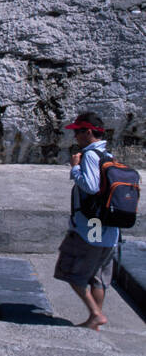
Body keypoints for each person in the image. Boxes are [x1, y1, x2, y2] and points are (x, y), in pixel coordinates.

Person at [54, 113, 120, 331]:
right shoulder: (107, 155)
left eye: (77, 131)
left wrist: (75, 168)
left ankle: (95, 314)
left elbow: (90, 187)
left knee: (71, 271)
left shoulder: (91, 156)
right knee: (98, 277)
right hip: (110, 230)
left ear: (88, 132)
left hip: (91, 229)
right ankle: (94, 324)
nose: (75, 136)